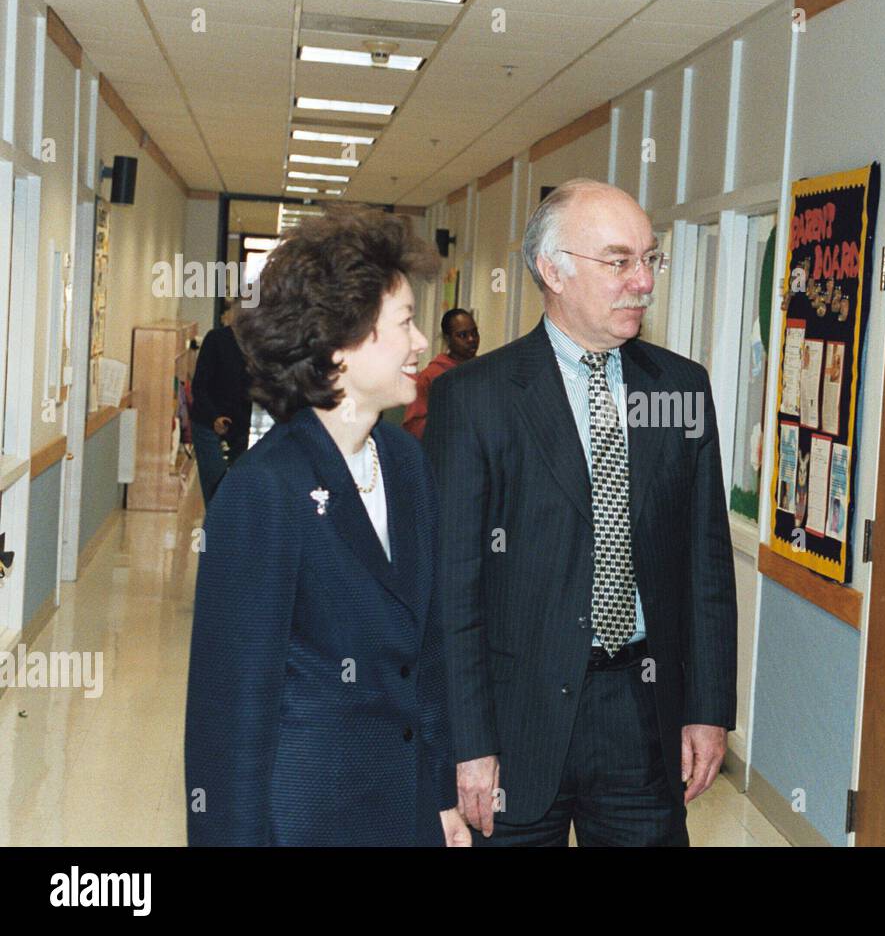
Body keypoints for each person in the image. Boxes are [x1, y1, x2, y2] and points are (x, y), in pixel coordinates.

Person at [424, 178, 738, 846]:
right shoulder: (476, 398)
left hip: (640, 715)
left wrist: (708, 710)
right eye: (619, 261)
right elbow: (453, 590)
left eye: (650, 259)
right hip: (516, 721)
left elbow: (705, 564)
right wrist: (466, 742)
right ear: (553, 271)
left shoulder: (680, 389)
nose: (643, 281)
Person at [185, 206, 470, 847]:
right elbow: (229, 712)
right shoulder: (263, 493)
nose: (422, 342)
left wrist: (443, 794)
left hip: (404, 808)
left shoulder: (405, 464)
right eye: (404, 323)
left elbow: (427, 653)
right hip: (306, 817)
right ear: (338, 349)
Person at [189, 308, 252, 505]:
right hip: (207, 422)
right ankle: (216, 529)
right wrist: (213, 417)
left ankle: (228, 529)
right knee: (215, 483)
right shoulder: (216, 339)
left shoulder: (255, 346)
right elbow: (199, 385)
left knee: (235, 485)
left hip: (240, 426)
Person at [401, 308, 478, 439]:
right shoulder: (432, 376)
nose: (471, 339)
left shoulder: (482, 371)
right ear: (448, 339)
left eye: (474, 333)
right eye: (462, 335)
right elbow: (413, 426)